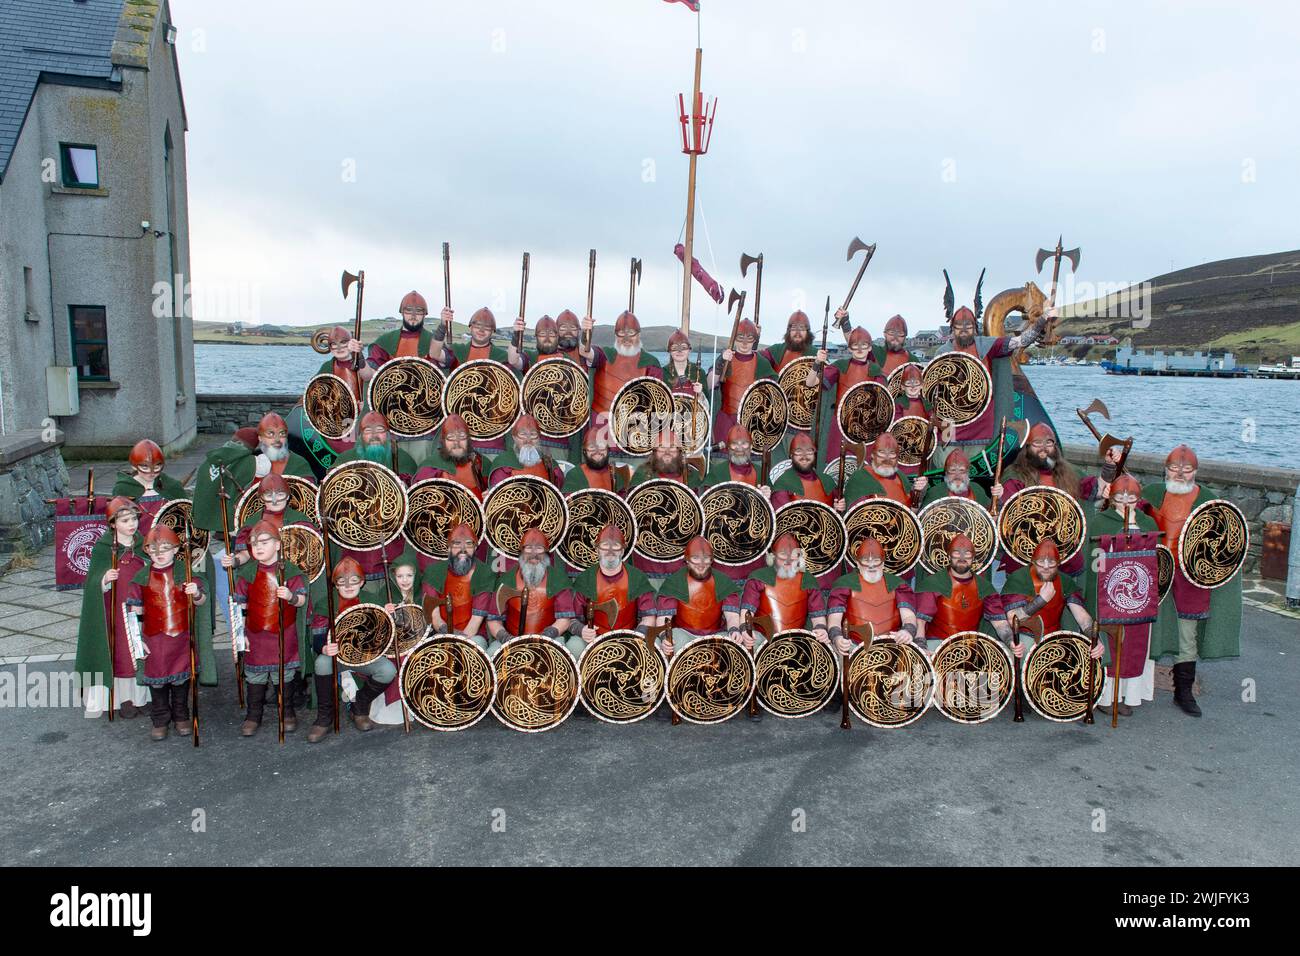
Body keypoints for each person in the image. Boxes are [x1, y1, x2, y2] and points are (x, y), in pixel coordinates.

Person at [1142, 444, 1242, 717]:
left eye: (1186, 470)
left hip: (1190, 576)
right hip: (1157, 570)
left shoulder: (1209, 502)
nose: (1180, 474)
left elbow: (1225, 545)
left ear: (1195, 472)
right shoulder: (1151, 494)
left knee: (1187, 634)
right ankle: (1135, 686)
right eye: (1174, 468)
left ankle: (1183, 692)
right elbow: (1127, 514)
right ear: (1166, 470)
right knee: (1146, 626)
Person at [932, 299, 1049, 466]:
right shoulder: (942, 353)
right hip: (948, 427)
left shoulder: (987, 346)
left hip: (980, 427)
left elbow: (1020, 341)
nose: (964, 330)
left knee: (973, 474)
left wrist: (1042, 320)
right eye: (959, 326)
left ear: (975, 328)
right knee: (945, 470)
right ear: (952, 329)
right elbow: (934, 392)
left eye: (969, 326)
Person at [1083, 474, 1160, 716]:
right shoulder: (1100, 523)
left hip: (1138, 595)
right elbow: (1095, 560)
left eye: (1131, 498)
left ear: (1138, 499)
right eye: (1120, 497)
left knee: (1134, 645)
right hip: (1108, 594)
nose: (1125, 502)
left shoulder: (1148, 522)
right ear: (1112, 498)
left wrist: (1135, 528)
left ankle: (1128, 694)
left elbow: (1154, 557)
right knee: (1113, 642)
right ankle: (1106, 696)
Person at [123, 525, 206, 741]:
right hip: (155, 638)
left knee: (180, 680)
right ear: (147, 551)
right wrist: (138, 641)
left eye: (165, 548)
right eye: (153, 548)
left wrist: (196, 592)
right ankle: (160, 719)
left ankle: (181, 716)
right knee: (158, 680)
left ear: (176, 549)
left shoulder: (185, 571)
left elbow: (202, 601)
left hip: (181, 637)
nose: (160, 553)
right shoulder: (142, 577)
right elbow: (133, 613)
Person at [232, 520, 310, 737]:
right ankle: (253, 715)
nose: (258, 547)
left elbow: (302, 601)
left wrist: (291, 597)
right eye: (254, 543)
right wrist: (240, 635)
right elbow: (240, 605)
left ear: (277, 544)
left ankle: (287, 712)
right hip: (255, 634)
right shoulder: (247, 572)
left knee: (282, 676)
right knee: (255, 677)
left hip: (282, 633)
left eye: (264, 542)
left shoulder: (290, 570)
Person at [75, 496, 149, 719]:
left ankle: (140, 697)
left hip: (138, 607)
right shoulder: (104, 547)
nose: (131, 524)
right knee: (120, 653)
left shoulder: (141, 543)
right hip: (115, 610)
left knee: (139, 650)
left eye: (134, 519)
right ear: (113, 523)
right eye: (125, 520)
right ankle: (121, 699)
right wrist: (104, 578)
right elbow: (92, 581)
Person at [304, 558, 394, 741]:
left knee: (387, 670)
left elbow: (383, 630)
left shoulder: (372, 600)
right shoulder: (326, 603)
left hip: (364, 656)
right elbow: (318, 634)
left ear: (361, 582)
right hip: (337, 657)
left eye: (353, 581)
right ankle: (325, 718)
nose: (348, 587)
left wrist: (388, 614)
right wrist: (324, 646)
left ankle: (359, 707)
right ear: (336, 585)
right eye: (342, 582)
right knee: (322, 662)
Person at [560, 525, 659, 661]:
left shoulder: (637, 577)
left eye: (616, 546)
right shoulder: (585, 579)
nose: (610, 551)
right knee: (574, 646)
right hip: (594, 639)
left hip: (629, 636)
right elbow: (571, 618)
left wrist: (636, 637)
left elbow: (649, 617)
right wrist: (581, 630)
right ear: (597, 550)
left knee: (653, 645)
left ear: (622, 551)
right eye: (605, 546)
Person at [1001, 539, 1097, 658]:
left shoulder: (1064, 581)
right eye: (1041, 562)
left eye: (1051, 562)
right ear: (1033, 562)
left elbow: (1082, 618)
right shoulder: (1019, 578)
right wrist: (1041, 600)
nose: (1046, 567)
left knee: (1077, 656)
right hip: (1026, 636)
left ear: (1058, 563)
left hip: (1055, 637)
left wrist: (1094, 638)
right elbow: (1013, 619)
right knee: (1028, 652)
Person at [484, 529, 572, 655]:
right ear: (522, 551)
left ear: (546, 552)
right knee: (493, 652)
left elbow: (565, 619)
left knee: (559, 654)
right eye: (529, 548)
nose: (534, 554)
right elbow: (493, 620)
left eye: (539, 548)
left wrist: (546, 636)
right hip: (511, 638)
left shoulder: (558, 579)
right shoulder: (506, 580)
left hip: (550, 639)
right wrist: (507, 639)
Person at [826, 537, 920, 656]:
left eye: (876, 561)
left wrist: (907, 632)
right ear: (858, 564)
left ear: (883, 563)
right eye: (866, 560)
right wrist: (837, 638)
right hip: (854, 646)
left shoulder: (898, 585)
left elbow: (908, 617)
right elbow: (834, 620)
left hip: (892, 645)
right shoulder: (844, 584)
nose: (871, 566)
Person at [913, 535, 1008, 651]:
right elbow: (920, 621)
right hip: (938, 643)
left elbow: (999, 623)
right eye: (957, 553)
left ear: (973, 558)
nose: (962, 558)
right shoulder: (933, 583)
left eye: (967, 554)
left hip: (972, 644)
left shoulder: (984, 586)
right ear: (949, 556)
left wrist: (1010, 640)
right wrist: (921, 647)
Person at [735, 533, 828, 651]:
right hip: (762, 638)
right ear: (773, 557)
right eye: (783, 557)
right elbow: (747, 612)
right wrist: (745, 630)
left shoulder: (808, 579)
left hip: (799, 638)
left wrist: (821, 630)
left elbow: (818, 616)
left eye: (792, 558)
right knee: (750, 642)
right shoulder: (759, 577)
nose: (788, 562)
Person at [655, 537, 743, 655]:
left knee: (732, 645)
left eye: (706, 558)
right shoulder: (675, 582)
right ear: (687, 560)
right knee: (672, 641)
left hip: (716, 634)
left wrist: (734, 630)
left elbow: (731, 615)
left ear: (712, 560)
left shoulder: (722, 581)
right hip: (683, 635)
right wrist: (664, 637)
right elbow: (664, 618)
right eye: (695, 558)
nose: (701, 564)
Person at [808, 325, 879, 468]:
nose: (859, 349)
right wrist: (817, 362)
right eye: (855, 345)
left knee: (862, 467)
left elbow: (882, 402)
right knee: (835, 465)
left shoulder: (875, 370)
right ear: (850, 348)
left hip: (866, 426)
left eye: (863, 345)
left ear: (870, 348)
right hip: (840, 424)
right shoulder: (840, 366)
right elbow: (810, 383)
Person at [421, 523, 497, 649]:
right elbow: (435, 617)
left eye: (468, 544)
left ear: (475, 548)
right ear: (449, 548)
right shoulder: (433, 572)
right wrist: (449, 636)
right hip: (441, 634)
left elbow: (475, 622)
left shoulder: (484, 573)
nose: (463, 549)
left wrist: (459, 644)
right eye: (457, 544)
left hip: (473, 636)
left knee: (473, 648)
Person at [586, 310, 663, 428]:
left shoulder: (651, 363)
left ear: (638, 335)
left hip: (634, 430)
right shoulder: (605, 355)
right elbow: (585, 351)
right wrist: (585, 333)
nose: (626, 338)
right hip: (601, 429)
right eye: (621, 333)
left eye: (631, 333)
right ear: (616, 335)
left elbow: (657, 404)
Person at [708, 318, 775, 450]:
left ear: (755, 340)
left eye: (749, 338)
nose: (744, 343)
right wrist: (721, 361)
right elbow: (710, 384)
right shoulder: (726, 359)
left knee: (748, 463)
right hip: (726, 420)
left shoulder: (762, 363)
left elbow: (772, 395)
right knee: (723, 461)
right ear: (734, 339)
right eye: (740, 338)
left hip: (753, 423)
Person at [367, 291, 451, 366]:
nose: (413, 315)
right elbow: (370, 374)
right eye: (409, 310)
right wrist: (358, 357)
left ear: (424, 314)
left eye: (418, 311)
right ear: (402, 312)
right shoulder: (385, 341)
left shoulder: (434, 342)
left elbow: (444, 358)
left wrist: (443, 325)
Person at [414, 414, 487, 499]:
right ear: (443, 441)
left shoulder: (480, 462)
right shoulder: (431, 468)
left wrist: (489, 495)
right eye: (451, 437)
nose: (457, 443)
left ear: (468, 439)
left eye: (462, 437)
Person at [110, 439, 187, 518]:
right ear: (134, 466)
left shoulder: (171, 485)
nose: (151, 472)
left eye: (157, 466)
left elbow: (186, 512)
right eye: (145, 467)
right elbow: (116, 520)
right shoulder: (123, 489)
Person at [332, 410, 418, 477]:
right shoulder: (346, 459)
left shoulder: (402, 459)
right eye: (368, 431)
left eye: (379, 430)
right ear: (361, 437)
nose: (374, 435)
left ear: (387, 434)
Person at [488, 414, 563, 487]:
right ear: (514, 437)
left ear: (539, 438)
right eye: (523, 434)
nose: (528, 440)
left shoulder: (549, 464)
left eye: (533, 434)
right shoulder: (503, 463)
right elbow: (498, 494)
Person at [844, 432, 915, 506]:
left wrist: (920, 492)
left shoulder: (902, 478)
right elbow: (854, 512)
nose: (887, 459)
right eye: (882, 452)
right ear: (873, 455)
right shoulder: (860, 477)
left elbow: (912, 510)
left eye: (892, 453)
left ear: (897, 457)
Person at [561, 417, 628, 494]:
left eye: (601, 446)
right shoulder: (575, 475)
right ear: (585, 451)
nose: (597, 451)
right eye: (592, 447)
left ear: (608, 449)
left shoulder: (616, 474)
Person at [770, 432, 837, 508]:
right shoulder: (783, 484)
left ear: (814, 454)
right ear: (791, 455)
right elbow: (783, 517)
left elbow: (838, 510)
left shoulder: (827, 480)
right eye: (799, 451)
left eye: (809, 451)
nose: (804, 456)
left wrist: (839, 507)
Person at [701, 424, 770, 494]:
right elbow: (707, 499)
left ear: (751, 446)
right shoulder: (717, 472)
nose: (739, 448)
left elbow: (770, 501)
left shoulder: (760, 472)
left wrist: (766, 496)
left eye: (744, 443)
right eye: (734, 444)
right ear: (728, 448)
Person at [316, 325, 373, 402]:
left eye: (343, 342)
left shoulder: (360, 363)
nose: (339, 348)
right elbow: (316, 390)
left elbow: (368, 377)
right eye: (334, 344)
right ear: (330, 347)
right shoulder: (327, 367)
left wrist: (359, 354)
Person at [920, 448, 990, 507]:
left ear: (967, 473)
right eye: (952, 470)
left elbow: (990, 515)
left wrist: (998, 497)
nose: (957, 475)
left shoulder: (977, 490)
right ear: (946, 473)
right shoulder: (935, 493)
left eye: (962, 470)